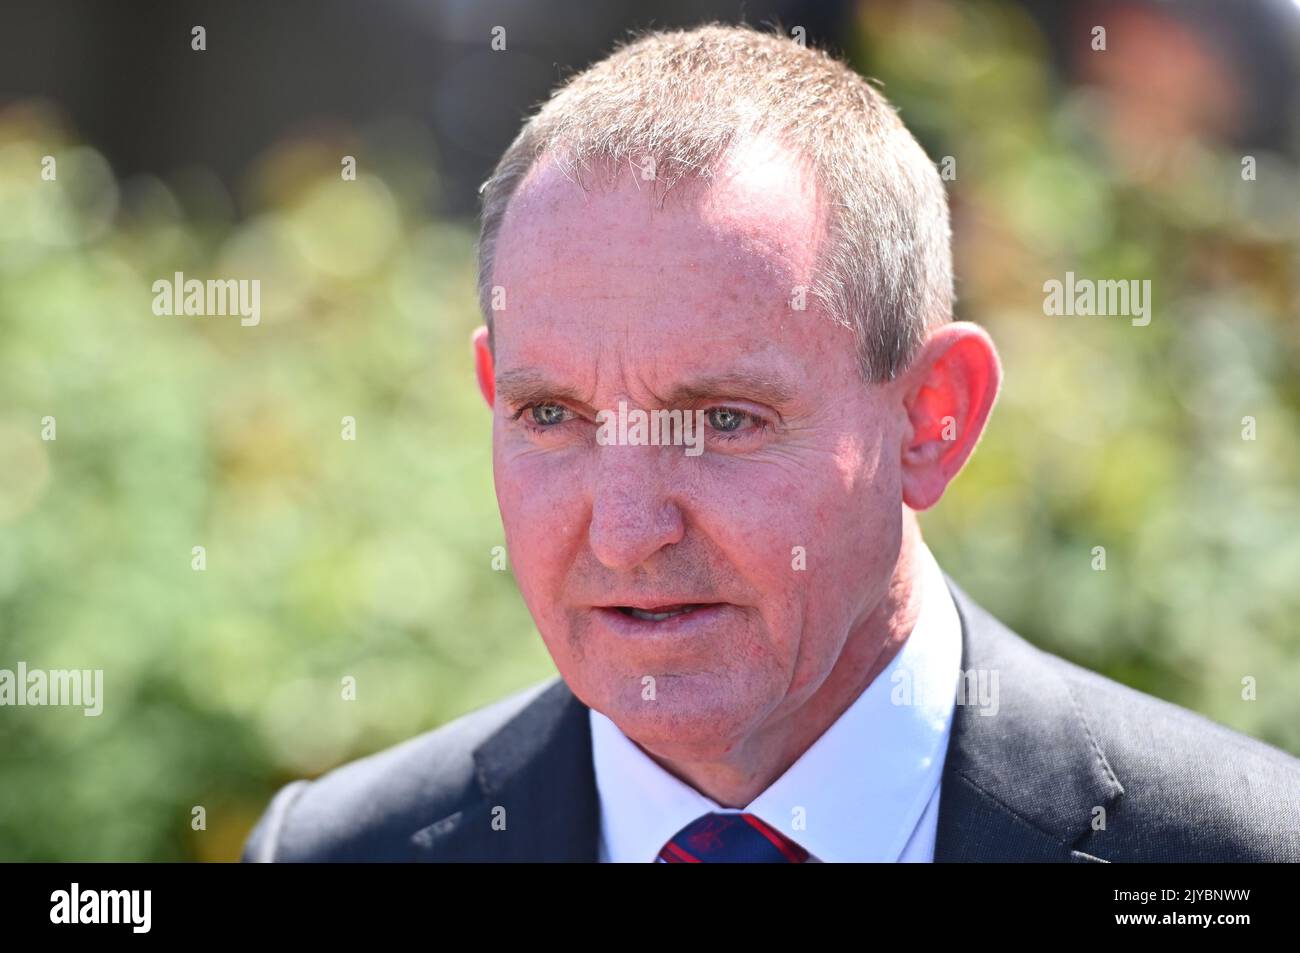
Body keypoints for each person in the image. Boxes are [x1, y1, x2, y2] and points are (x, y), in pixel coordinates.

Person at [242, 24, 1300, 863]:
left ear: (932, 416)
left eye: (723, 421)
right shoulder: (338, 850)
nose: (624, 533)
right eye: (553, 415)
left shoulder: (1233, 853)